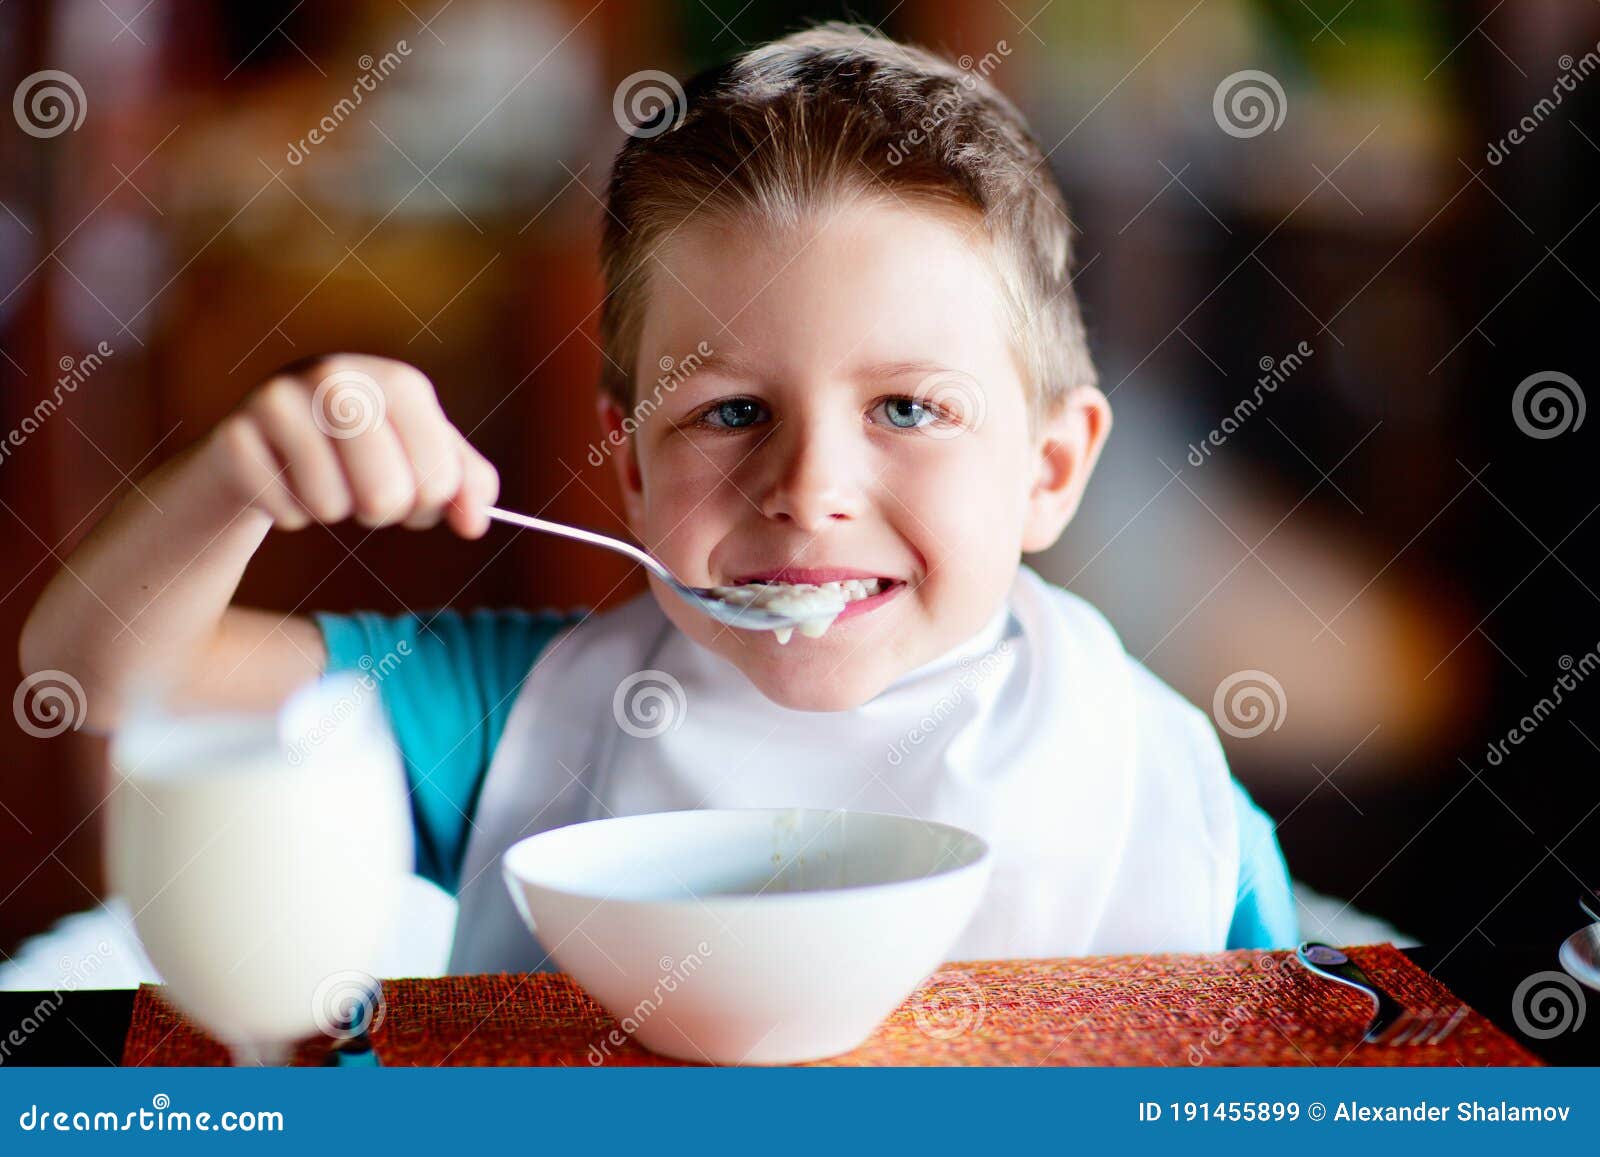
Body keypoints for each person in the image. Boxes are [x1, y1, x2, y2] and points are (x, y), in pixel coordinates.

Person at [20, 23, 1296, 974]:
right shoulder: (516, 710)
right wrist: (238, 485)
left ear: (1050, 469)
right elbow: (95, 676)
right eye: (730, 411)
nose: (808, 490)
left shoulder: (1159, 788)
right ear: (629, 471)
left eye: (907, 408)